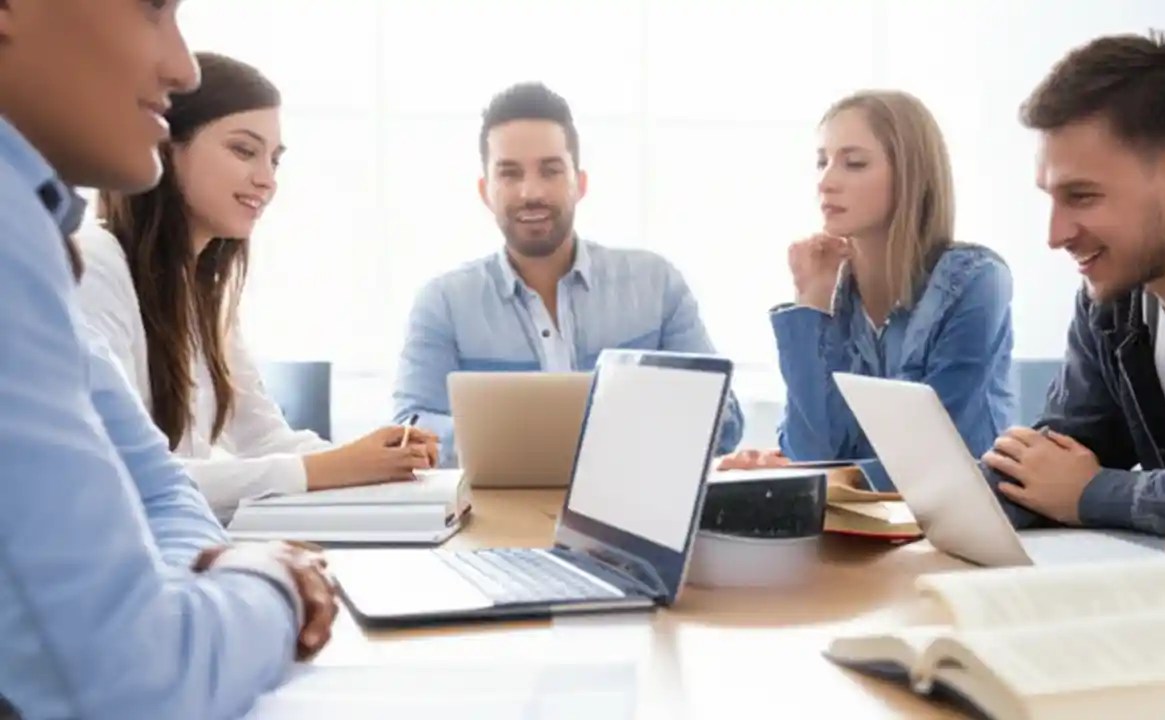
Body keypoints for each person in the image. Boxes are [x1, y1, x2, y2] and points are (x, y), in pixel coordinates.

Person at [0, 1, 334, 718]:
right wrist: (265, 577)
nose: (181, 68)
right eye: (153, 9)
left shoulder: (31, 232)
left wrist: (202, 581)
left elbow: (158, 490)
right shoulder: (29, 243)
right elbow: (131, 685)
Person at [78, 51, 439, 524]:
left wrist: (374, 459)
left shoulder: (202, 293)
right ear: (167, 146)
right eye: (244, 151)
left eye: (274, 159)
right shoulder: (97, 264)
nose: (266, 180)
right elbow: (131, 476)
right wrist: (331, 467)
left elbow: (267, 438)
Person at [980, 31, 1165, 537]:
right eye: (1050, 197)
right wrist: (961, 496)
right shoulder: (1112, 297)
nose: (1055, 236)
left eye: (1082, 196)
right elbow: (1055, 463)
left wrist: (1091, 494)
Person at [392, 82, 743, 466]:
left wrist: (545, 437)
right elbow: (408, 430)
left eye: (550, 170)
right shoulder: (443, 303)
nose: (531, 192)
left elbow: (723, 421)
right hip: (492, 520)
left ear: (580, 183)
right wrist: (538, 442)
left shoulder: (657, 286)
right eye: (510, 174)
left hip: (633, 513)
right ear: (485, 191)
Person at [720, 90, 1015, 491]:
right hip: (861, 526)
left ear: (911, 175)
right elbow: (812, 449)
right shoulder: (837, 290)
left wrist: (797, 477)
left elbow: (939, 458)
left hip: (962, 528)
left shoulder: (976, 280)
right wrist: (811, 303)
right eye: (822, 162)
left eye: (854, 163)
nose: (826, 181)